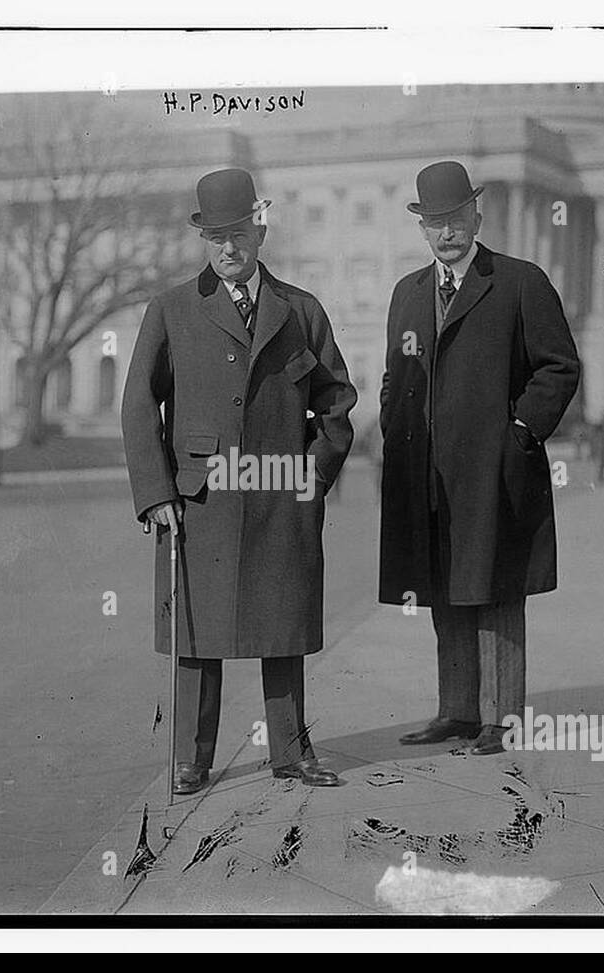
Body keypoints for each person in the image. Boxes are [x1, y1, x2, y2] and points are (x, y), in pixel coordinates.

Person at [121, 168, 357, 793]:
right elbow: (140, 405)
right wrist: (156, 495)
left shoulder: (301, 311)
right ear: (204, 239)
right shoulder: (170, 310)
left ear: (261, 229)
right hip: (200, 501)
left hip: (283, 495)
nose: (230, 249)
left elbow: (336, 404)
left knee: (283, 628)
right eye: (217, 237)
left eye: (241, 233)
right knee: (197, 635)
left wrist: (312, 478)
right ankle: (190, 759)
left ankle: (292, 753)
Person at [378, 161, 580, 754]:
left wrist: (519, 431)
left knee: (496, 589)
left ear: (477, 216)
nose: (447, 233)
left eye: (456, 219)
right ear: (423, 228)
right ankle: (458, 711)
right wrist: (397, 428)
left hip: (496, 472)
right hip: (428, 475)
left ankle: (502, 719)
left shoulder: (520, 281)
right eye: (435, 223)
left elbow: (559, 367)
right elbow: (397, 376)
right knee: (446, 589)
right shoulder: (408, 293)